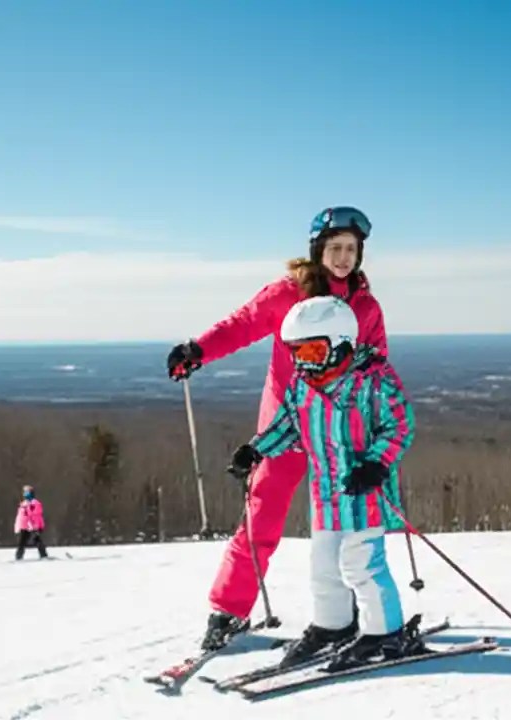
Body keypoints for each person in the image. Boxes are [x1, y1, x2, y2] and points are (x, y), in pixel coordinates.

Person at [166, 207, 390, 650]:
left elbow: (379, 363)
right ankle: (228, 611)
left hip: (340, 427)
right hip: (284, 424)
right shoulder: (287, 293)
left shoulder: (365, 306)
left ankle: (343, 617)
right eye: (335, 248)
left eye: (351, 249)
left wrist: (377, 429)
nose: (343, 257)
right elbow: (242, 324)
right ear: (318, 251)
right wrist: (198, 350)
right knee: (262, 514)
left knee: (345, 522)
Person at [228, 296, 420, 668]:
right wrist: (256, 450)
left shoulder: (372, 380)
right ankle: (333, 625)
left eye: (314, 351)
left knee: (361, 563)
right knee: (323, 565)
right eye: (297, 353)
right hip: (326, 496)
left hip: (364, 491)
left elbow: (400, 424)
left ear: (341, 343)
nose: (304, 362)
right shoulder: (303, 386)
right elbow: (287, 425)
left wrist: (376, 464)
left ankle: (385, 633)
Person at [14, 484, 49, 560]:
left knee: (36, 540)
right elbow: (20, 517)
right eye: (25, 493)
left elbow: (35, 514)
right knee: (23, 541)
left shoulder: (35, 503)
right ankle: (19, 556)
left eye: (27, 493)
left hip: (34, 525)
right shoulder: (23, 504)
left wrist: (36, 525)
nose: (25, 495)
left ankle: (43, 555)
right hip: (25, 526)